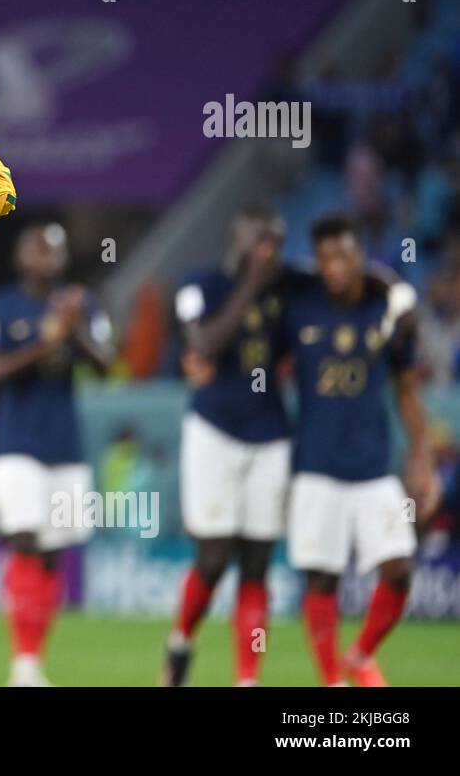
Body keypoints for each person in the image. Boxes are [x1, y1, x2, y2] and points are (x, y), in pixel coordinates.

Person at [283, 214, 438, 686]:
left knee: (399, 570)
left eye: (344, 255)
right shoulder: (301, 304)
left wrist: (422, 458)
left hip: (374, 468)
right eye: (325, 257)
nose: (334, 266)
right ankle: (332, 680)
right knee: (321, 580)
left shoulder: (386, 312)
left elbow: (406, 390)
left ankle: (360, 654)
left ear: (359, 256)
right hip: (316, 466)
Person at [0, 222, 114, 686]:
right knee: (25, 539)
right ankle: (22, 664)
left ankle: (33, 661)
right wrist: (47, 343)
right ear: (20, 258)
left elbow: (106, 366)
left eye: (54, 250)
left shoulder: (82, 305)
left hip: (64, 446)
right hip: (14, 445)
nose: (47, 257)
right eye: (38, 249)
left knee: (52, 556)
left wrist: (74, 332)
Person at [162, 206, 291, 687]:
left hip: (270, 433)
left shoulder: (286, 290)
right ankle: (180, 641)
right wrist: (252, 284)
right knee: (214, 559)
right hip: (214, 430)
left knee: (257, 562)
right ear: (236, 239)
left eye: (274, 242)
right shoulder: (201, 285)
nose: (267, 252)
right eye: (259, 240)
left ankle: (247, 678)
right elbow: (204, 343)